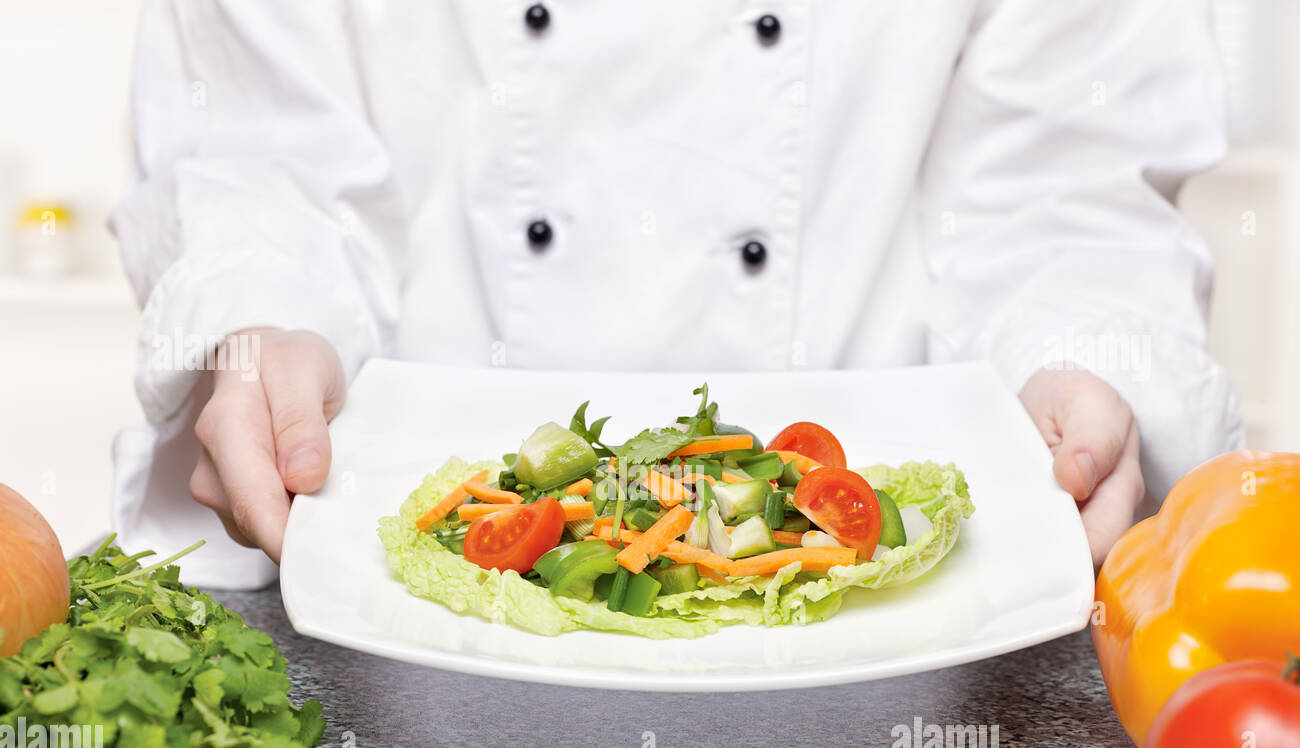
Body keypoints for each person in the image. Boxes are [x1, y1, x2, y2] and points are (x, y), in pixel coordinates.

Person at [110, 0, 1242, 589]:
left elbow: (1063, 183)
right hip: (395, 597)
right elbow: (258, 145)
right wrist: (260, 321)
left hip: (887, 631)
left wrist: (1074, 364)